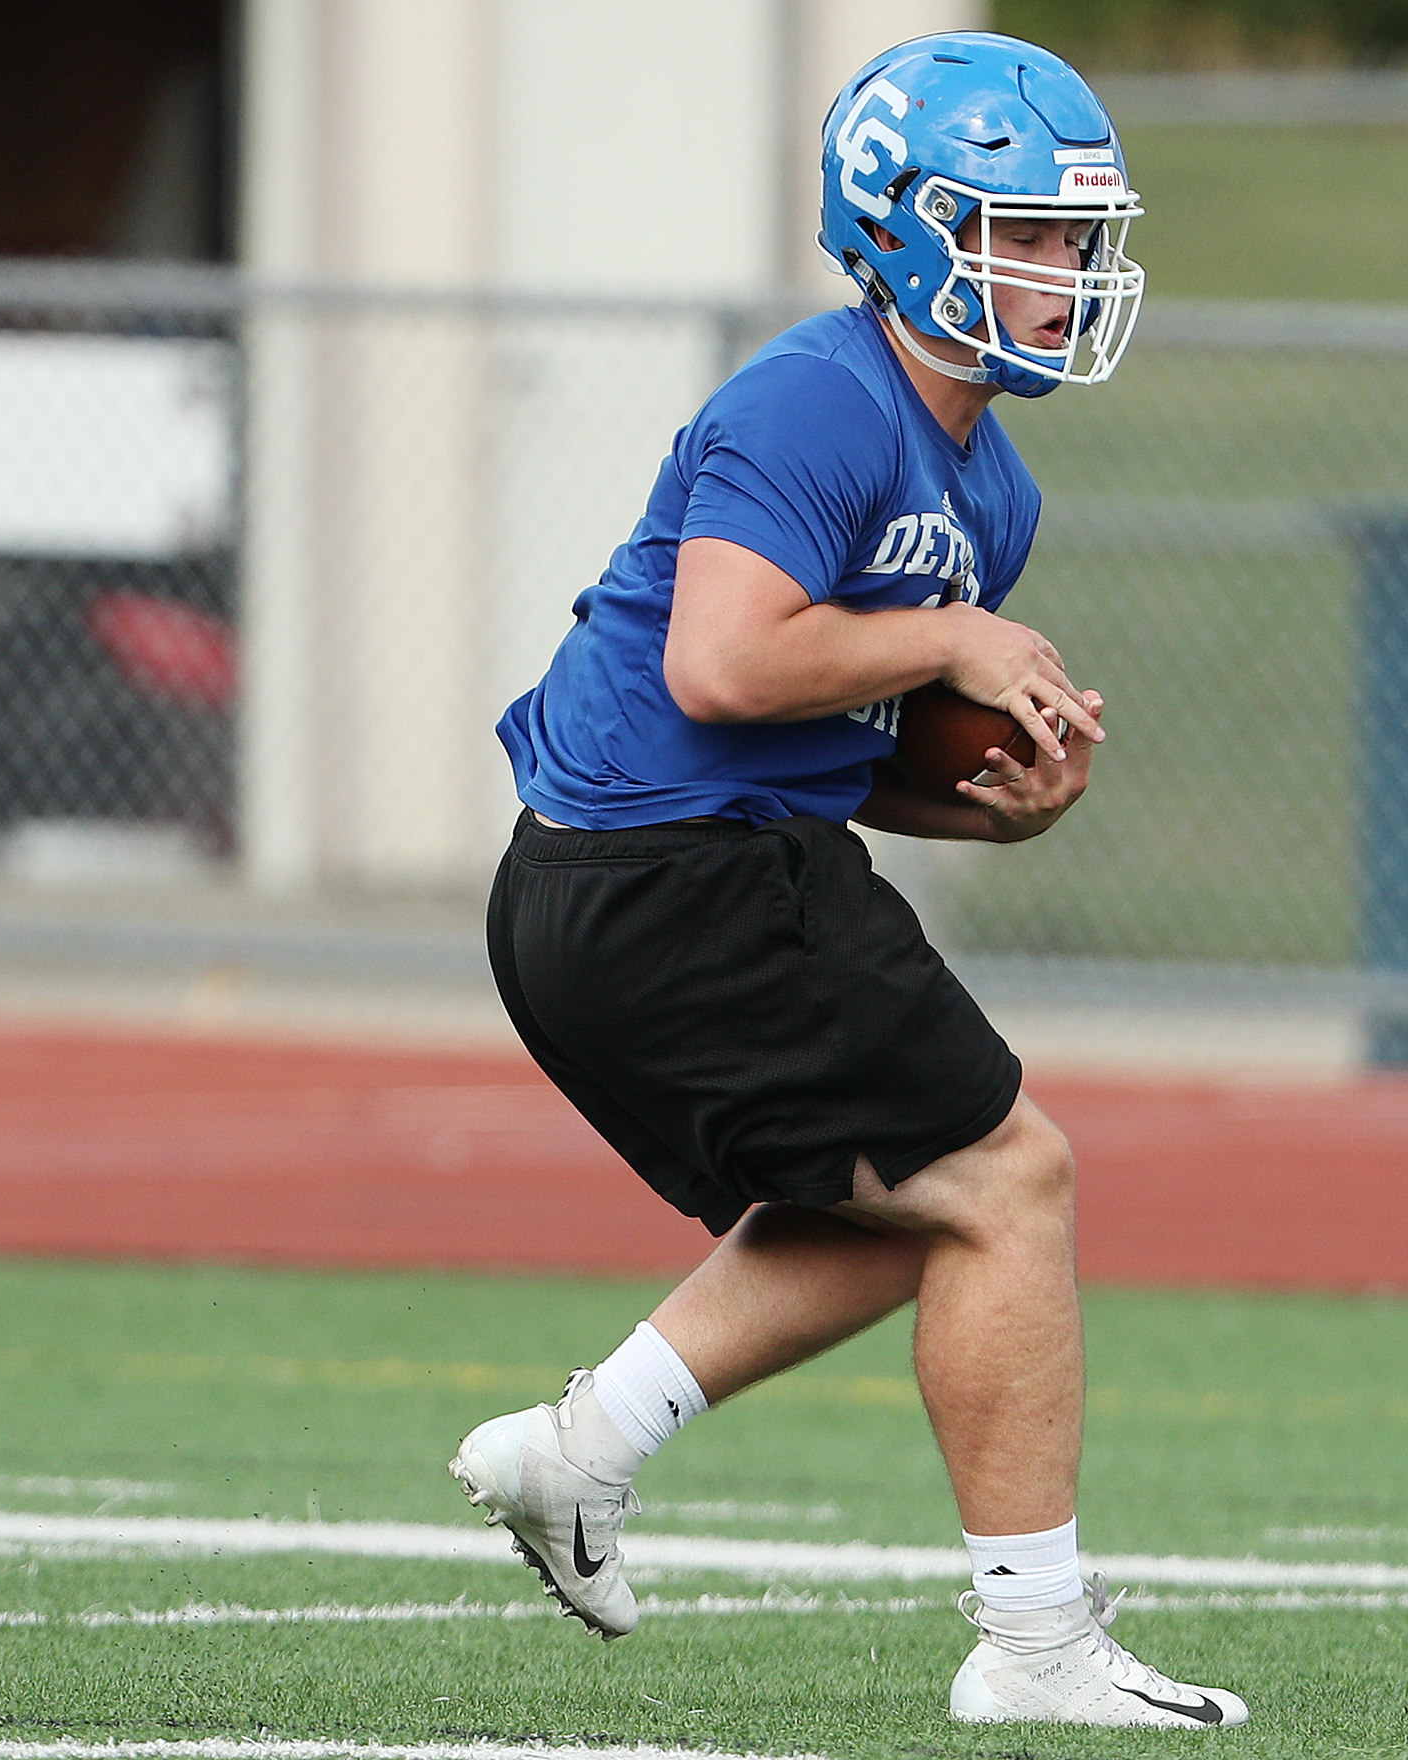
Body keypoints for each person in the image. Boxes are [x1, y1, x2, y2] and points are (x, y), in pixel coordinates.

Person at [450, 31, 1246, 1730]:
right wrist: (956, 629)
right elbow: (726, 668)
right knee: (1012, 1181)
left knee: (930, 1208)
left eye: (1072, 237)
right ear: (898, 229)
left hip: (695, 866)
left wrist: (996, 812)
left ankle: (580, 1452)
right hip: (659, 870)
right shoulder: (820, 393)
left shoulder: (992, 482)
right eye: (1020, 232)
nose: (1060, 271)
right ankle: (1032, 1646)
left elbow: (831, 741)